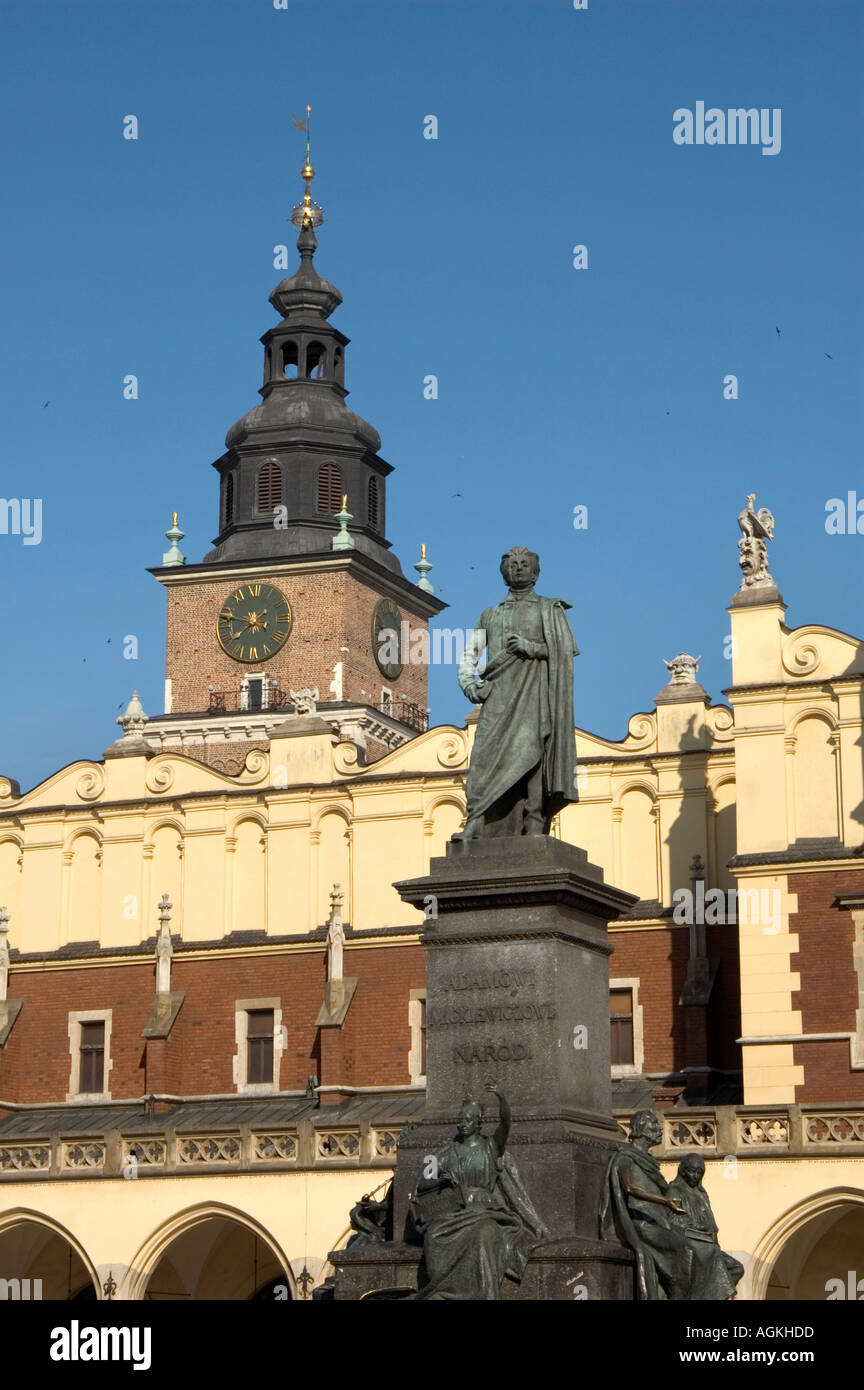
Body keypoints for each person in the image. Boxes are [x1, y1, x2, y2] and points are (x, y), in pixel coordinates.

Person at [456, 547, 579, 838]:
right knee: (482, 758)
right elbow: (469, 654)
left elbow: (565, 651)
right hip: (498, 696)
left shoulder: (549, 609)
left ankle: (533, 818)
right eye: (512, 564)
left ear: (536, 574)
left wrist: (530, 647)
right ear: (504, 575)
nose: (519, 568)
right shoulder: (490, 614)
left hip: (535, 693)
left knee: (533, 751)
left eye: (525, 564)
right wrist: (468, 682)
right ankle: (476, 819)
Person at [410, 1084, 548, 1299]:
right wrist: (439, 1180)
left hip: (484, 1209)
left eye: (468, 1120)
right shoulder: (448, 1153)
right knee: (434, 1234)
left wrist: (502, 1099)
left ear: (478, 1122)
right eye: (460, 1119)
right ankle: (443, 1290)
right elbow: (422, 1183)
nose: (462, 1124)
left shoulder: (490, 1147)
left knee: (484, 1234)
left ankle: (482, 1295)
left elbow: (505, 1124)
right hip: (455, 1211)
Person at [600, 1110, 695, 1300]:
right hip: (641, 1223)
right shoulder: (626, 1157)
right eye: (654, 1123)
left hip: (655, 1220)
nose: (660, 1128)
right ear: (641, 1128)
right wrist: (665, 1201)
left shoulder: (648, 1161)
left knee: (702, 1251)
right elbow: (629, 1187)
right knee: (685, 1249)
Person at [668, 1154, 744, 1300]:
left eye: (699, 1172)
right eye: (692, 1171)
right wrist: (696, 1226)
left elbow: (711, 1222)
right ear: (683, 1171)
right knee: (711, 1257)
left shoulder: (702, 1194)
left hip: (708, 1243)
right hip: (689, 1242)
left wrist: (712, 1234)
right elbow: (674, 1220)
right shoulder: (674, 1190)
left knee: (737, 1268)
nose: (695, 1176)